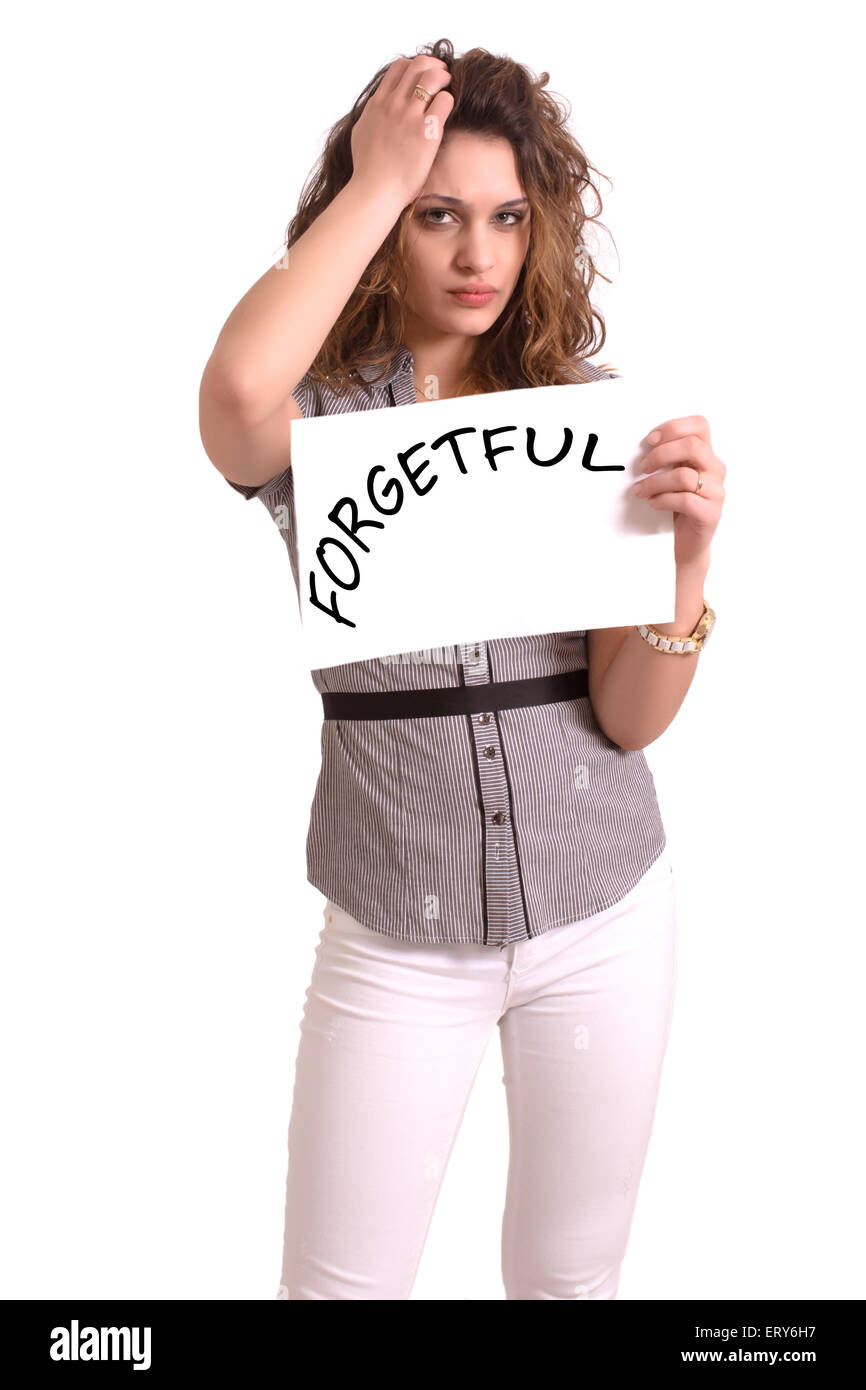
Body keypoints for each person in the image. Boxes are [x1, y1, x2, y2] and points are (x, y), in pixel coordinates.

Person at [198, 38, 726, 1300]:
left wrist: (688, 567)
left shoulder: (584, 414)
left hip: (603, 909)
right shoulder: (319, 420)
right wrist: (377, 181)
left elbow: (627, 719)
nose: (476, 255)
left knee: (569, 1282)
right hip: (396, 924)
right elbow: (230, 394)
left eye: (503, 217)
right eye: (438, 216)